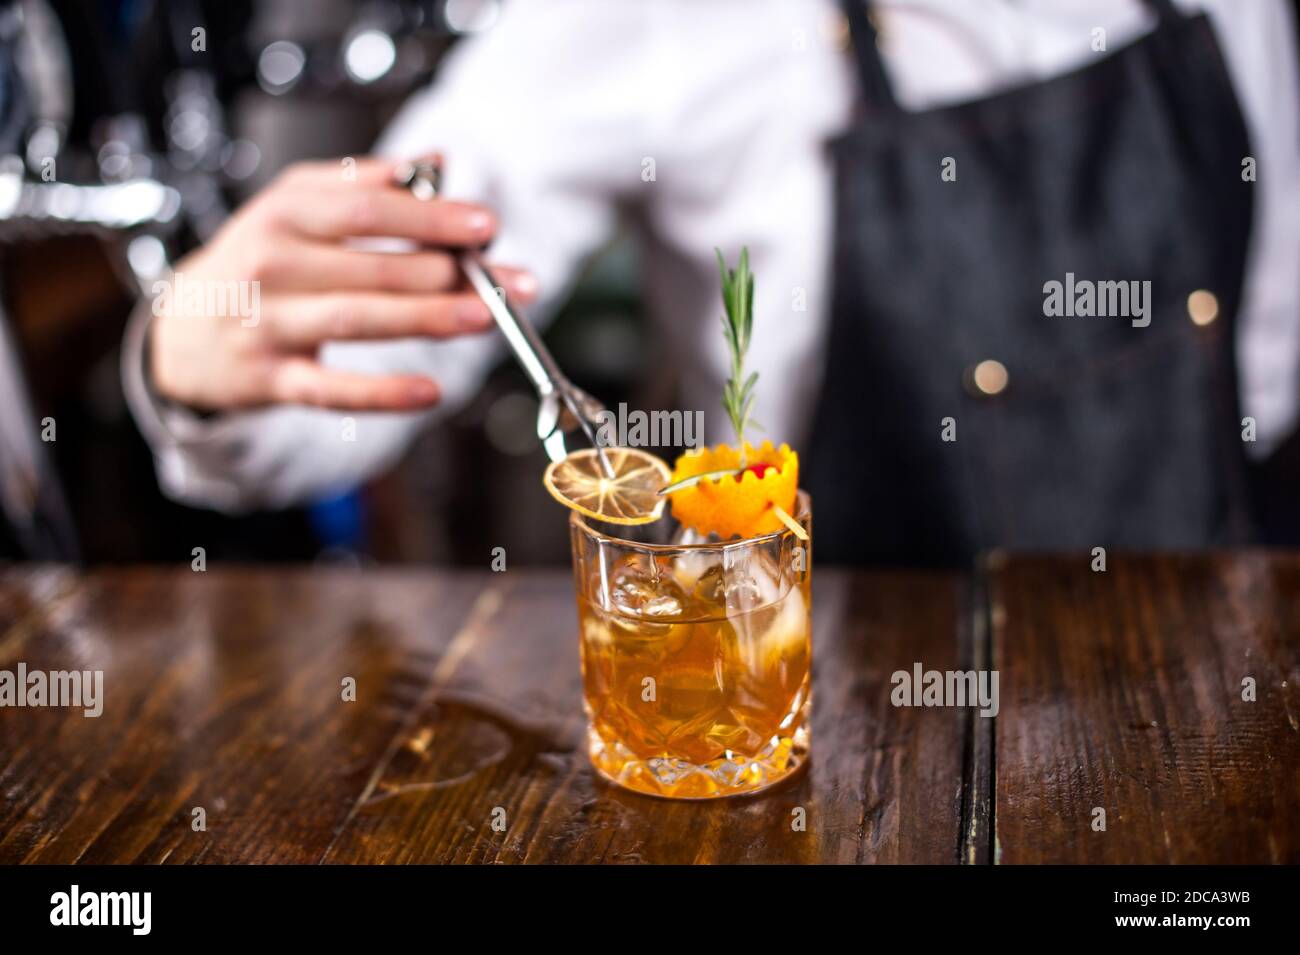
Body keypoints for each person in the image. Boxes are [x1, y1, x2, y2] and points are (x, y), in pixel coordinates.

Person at [125, 0, 1300, 564]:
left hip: (1212, 603)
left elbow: (1271, 330)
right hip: (829, 677)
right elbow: (346, 360)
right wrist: (200, 357)